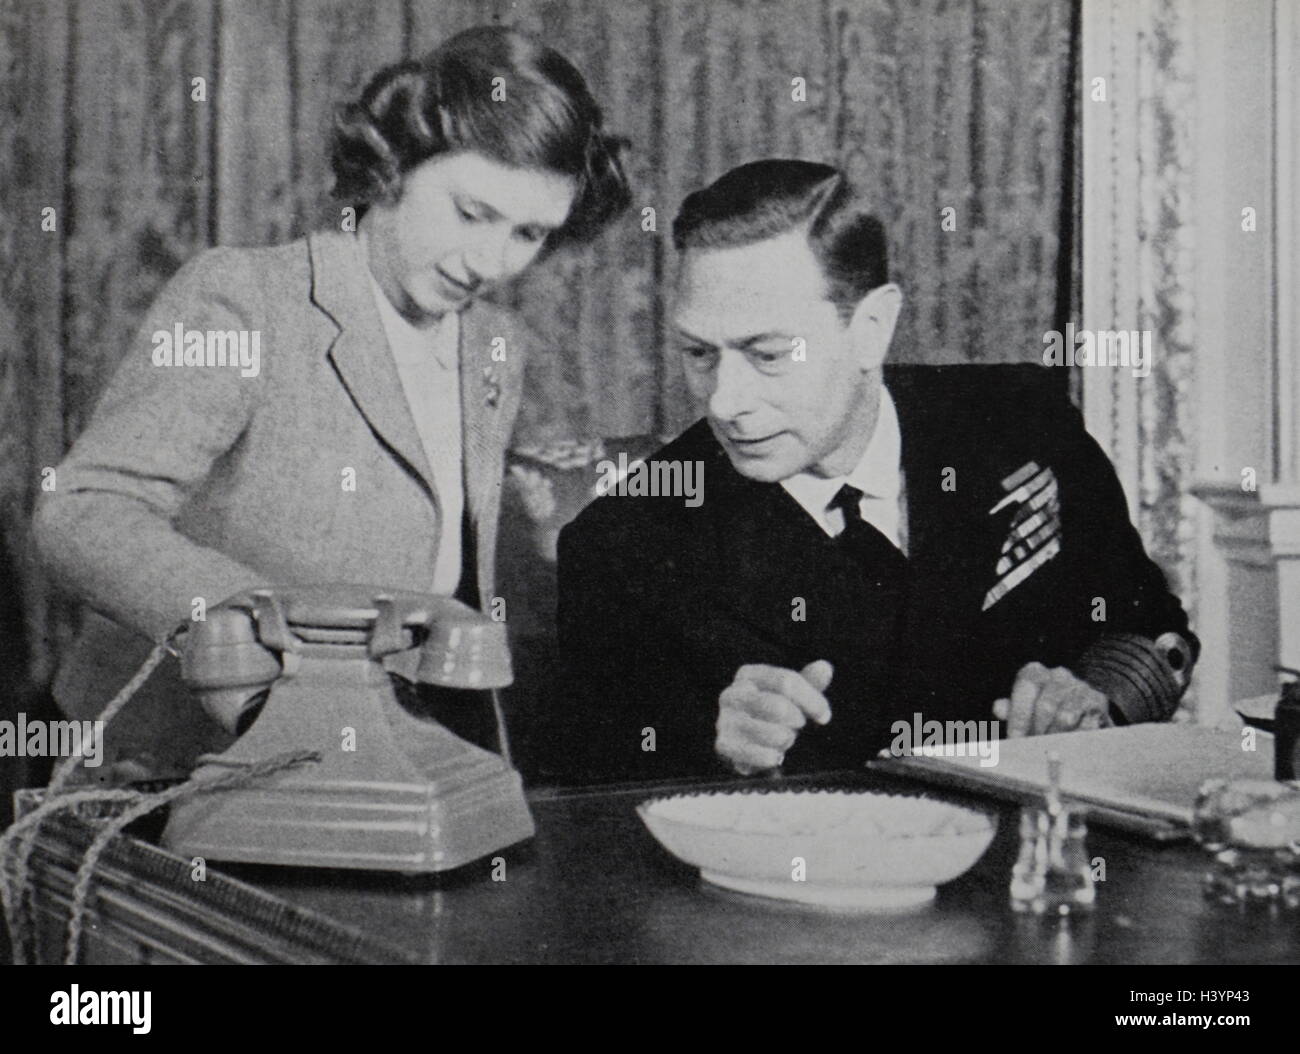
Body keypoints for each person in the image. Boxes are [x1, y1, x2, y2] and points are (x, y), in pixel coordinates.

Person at [33, 26, 630, 782]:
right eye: (472, 212)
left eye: (529, 234)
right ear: (395, 167)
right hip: (170, 761)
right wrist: (254, 625)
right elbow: (82, 510)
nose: (491, 261)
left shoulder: (492, 344)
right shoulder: (246, 301)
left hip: (362, 754)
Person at [555, 159, 1196, 784]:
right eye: (699, 354)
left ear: (872, 327)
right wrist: (715, 750)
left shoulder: (1020, 421)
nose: (725, 401)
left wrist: (1095, 703)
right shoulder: (622, 543)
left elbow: (1150, 623)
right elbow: (596, 802)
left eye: (768, 354)